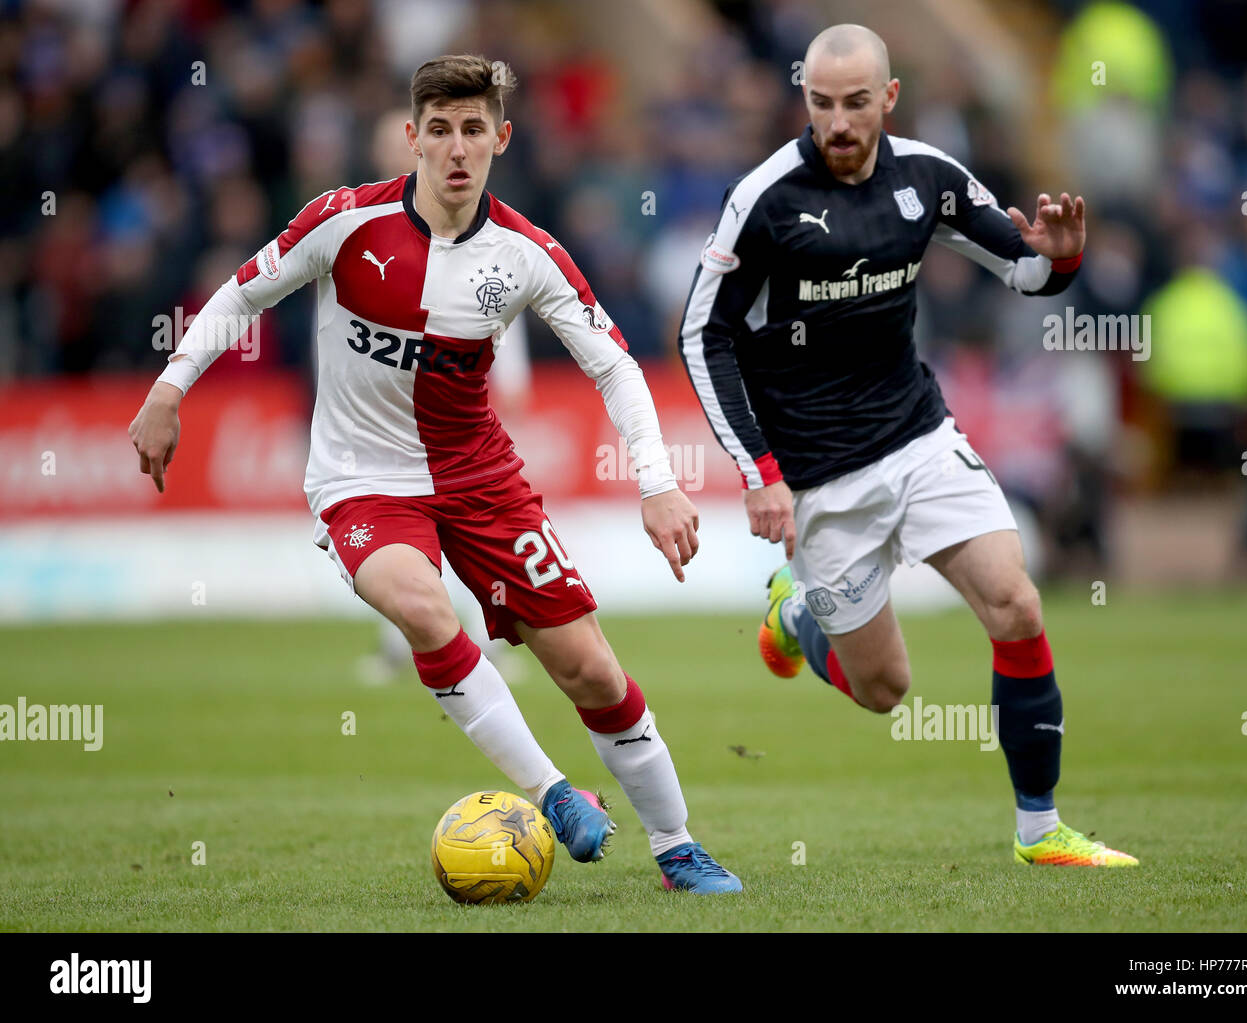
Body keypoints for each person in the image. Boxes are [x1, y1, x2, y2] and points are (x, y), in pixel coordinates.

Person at [129, 54, 741, 893]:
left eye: (474, 131)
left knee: (590, 669)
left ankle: (677, 846)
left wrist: (656, 479)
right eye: (441, 131)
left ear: (502, 138)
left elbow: (616, 367)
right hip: (361, 479)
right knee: (418, 604)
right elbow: (238, 297)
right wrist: (168, 390)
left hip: (479, 477)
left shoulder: (529, 254)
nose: (457, 149)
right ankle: (553, 791)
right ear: (413, 137)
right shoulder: (341, 223)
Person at [678, 24, 1137, 867]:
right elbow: (701, 335)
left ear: (888, 98)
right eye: (822, 104)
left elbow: (1025, 269)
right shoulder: (765, 197)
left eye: (857, 103)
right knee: (886, 690)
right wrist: (762, 473)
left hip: (917, 436)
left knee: (1018, 604)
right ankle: (794, 614)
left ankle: (1040, 829)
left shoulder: (928, 178)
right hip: (818, 477)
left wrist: (1064, 262)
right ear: (804, 99)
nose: (839, 122)